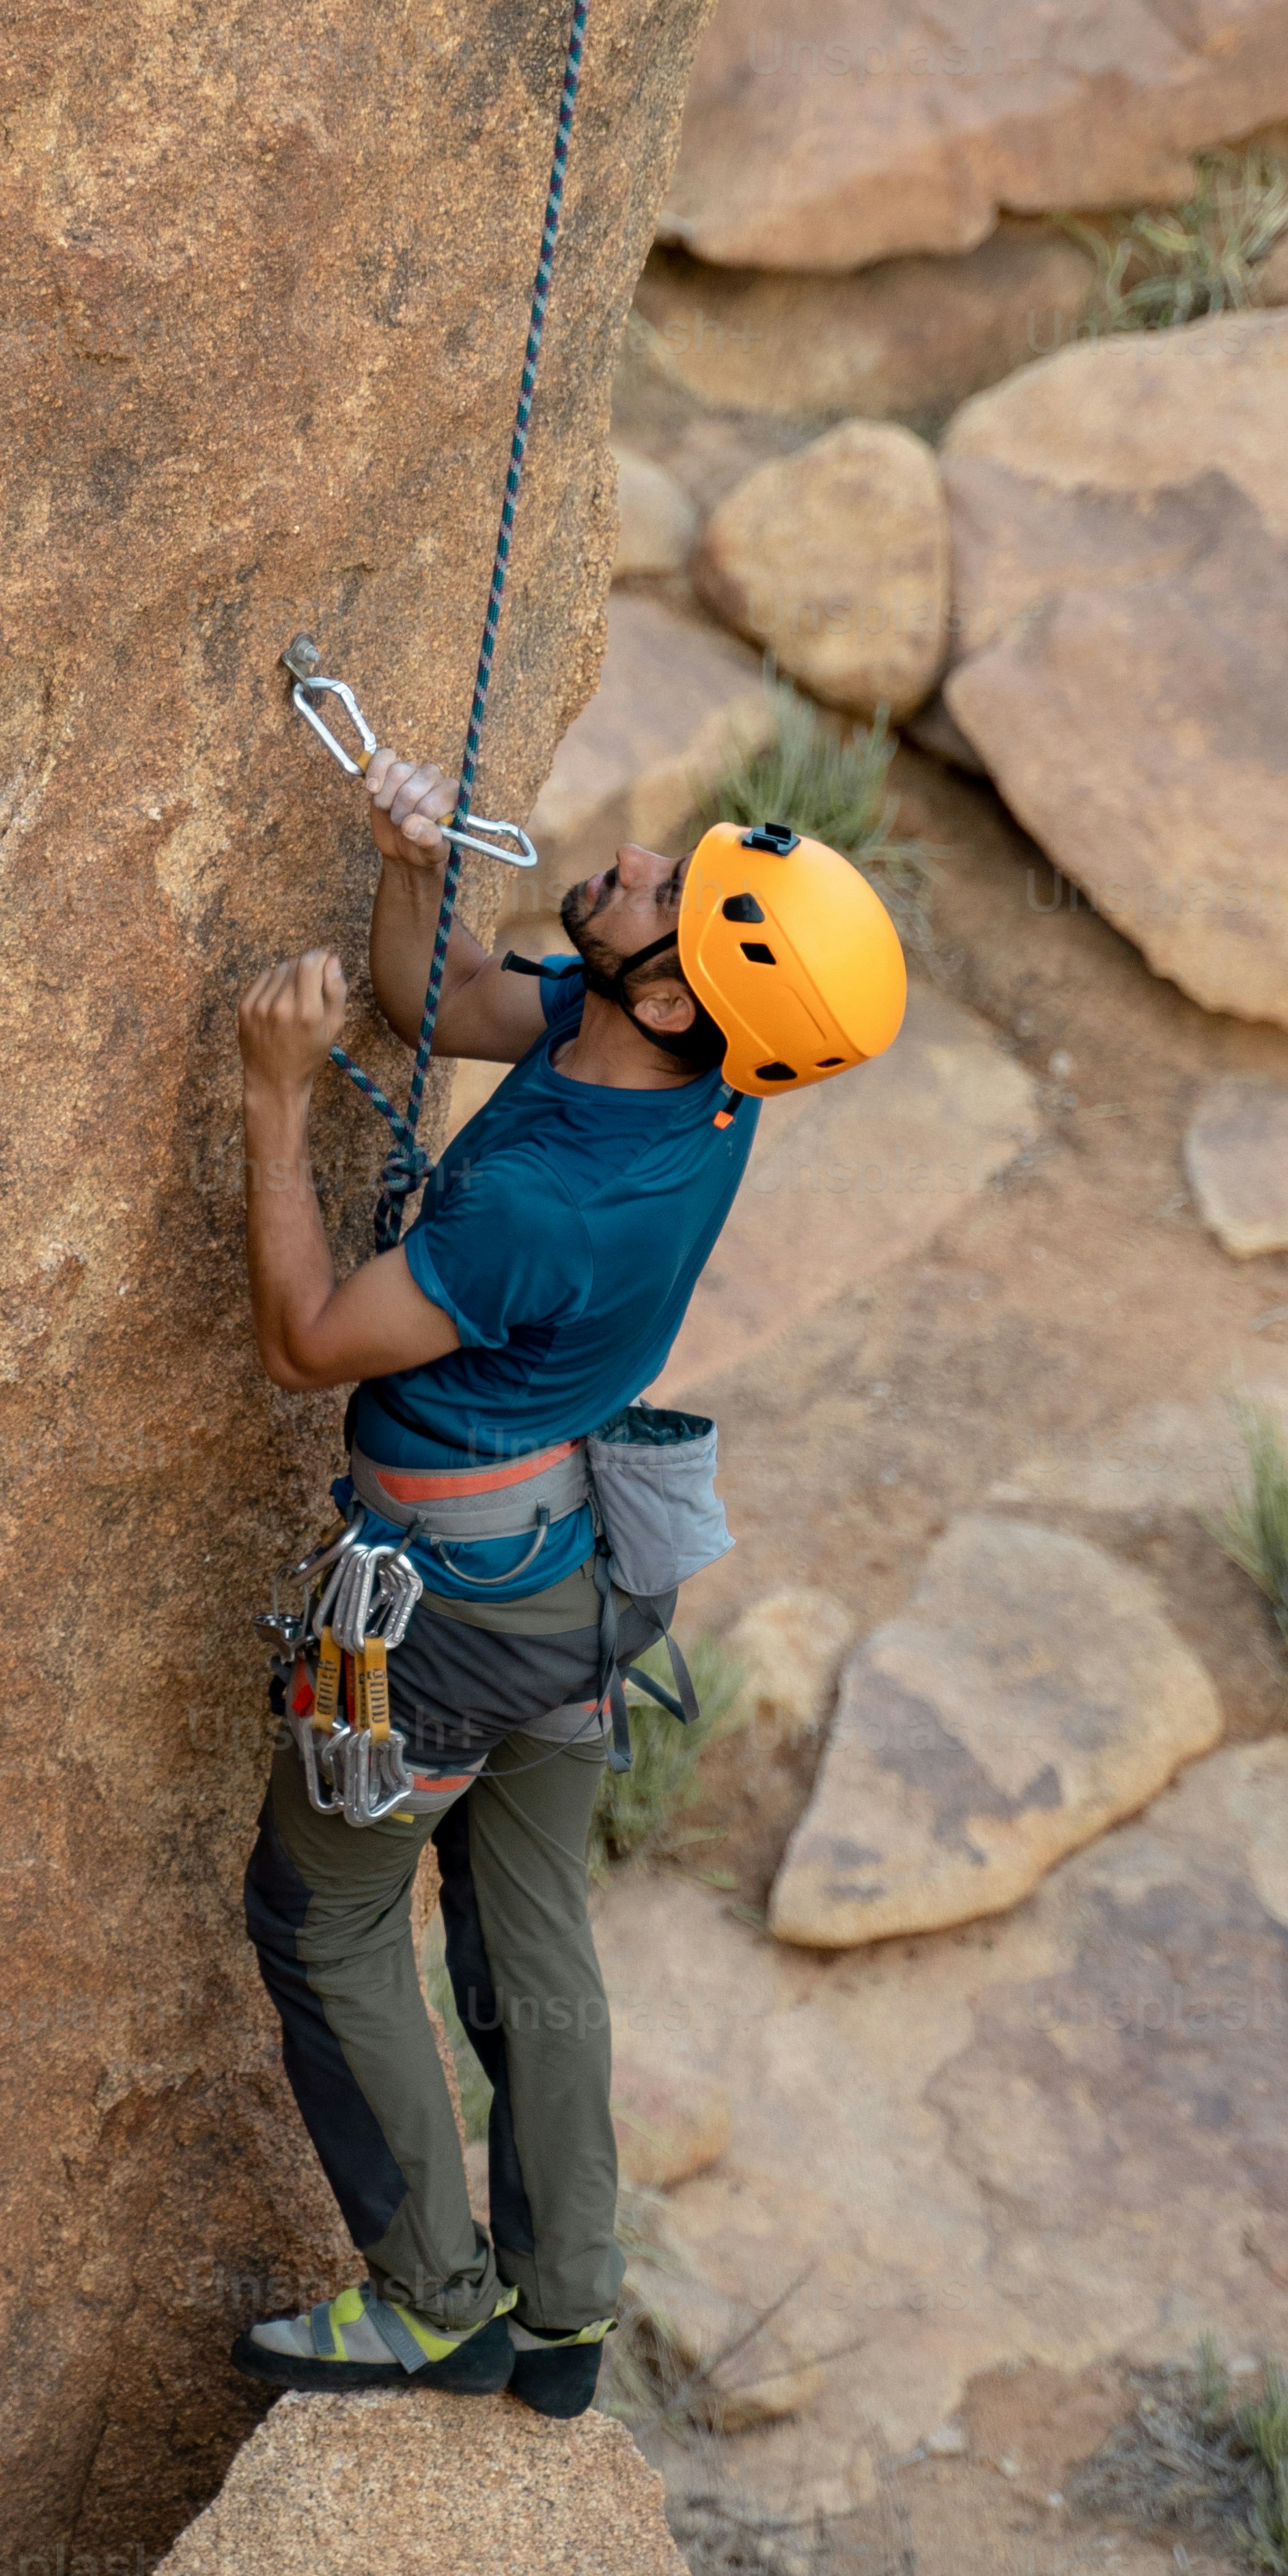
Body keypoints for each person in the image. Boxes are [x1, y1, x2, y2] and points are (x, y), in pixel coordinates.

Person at [228, 736, 906, 2418]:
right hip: (577, 1578)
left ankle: (435, 2299)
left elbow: (312, 1339)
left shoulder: (546, 1204)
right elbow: (445, 996)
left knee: (321, 1915)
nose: (634, 861)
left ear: (677, 993)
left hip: (456, 1607)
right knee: (531, 1932)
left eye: (672, 889)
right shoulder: (695, 1069)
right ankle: (564, 2306)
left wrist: (269, 1092)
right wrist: (403, 864)